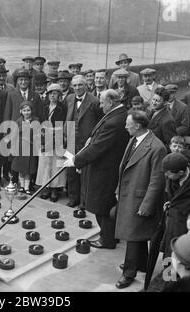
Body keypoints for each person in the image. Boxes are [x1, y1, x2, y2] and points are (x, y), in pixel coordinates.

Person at [65, 89, 129, 249]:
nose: (100, 106)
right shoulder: (117, 114)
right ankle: (111, 235)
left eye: (102, 102)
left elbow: (98, 147)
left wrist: (76, 160)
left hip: (106, 168)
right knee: (103, 202)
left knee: (103, 204)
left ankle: (107, 240)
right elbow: (96, 139)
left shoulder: (115, 120)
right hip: (106, 165)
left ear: (111, 102)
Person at [115, 110, 166, 289]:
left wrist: (147, 204)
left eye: (127, 123)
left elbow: (157, 181)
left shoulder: (157, 147)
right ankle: (141, 264)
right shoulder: (134, 140)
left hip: (140, 199)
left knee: (132, 234)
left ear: (137, 126)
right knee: (137, 233)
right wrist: (118, 189)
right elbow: (125, 168)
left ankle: (129, 272)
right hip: (128, 194)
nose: (125, 126)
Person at [160, 153, 190, 259]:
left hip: (186, 231)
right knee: (168, 258)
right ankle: (167, 274)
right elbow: (173, 195)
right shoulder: (172, 177)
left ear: (181, 172)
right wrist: (170, 202)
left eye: (168, 174)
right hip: (171, 224)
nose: (166, 176)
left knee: (180, 260)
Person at [64, 75, 103, 208]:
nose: (77, 88)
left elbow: (100, 122)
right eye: (74, 85)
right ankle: (72, 198)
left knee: (84, 173)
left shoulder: (95, 101)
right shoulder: (69, 98)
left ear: (86, 85)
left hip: (85, 142)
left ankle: (83, 201)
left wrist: (93, 139)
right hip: (70, 141)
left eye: (80, 85)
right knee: (71, 171)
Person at [36, 84, 67, 202]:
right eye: (50, 93)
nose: (52, 95)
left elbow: (62, 124)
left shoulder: (62, 108)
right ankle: (45, 188)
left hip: (57, 139)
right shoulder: (44, 107)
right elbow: (39, 121)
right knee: (44, 164)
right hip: (44, 138)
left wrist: (52, 130)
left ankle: (54, 189)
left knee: (55, 165)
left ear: (59, 95)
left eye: (54, 93)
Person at [11, 101, 39, 195]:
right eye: (24, 110)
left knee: (28, 170)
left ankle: (27, 187)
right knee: (21, 169)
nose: (26, 112)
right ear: (21, 111)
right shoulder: (18, 121)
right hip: (21, 148)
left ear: (31, 111)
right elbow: (14, 136)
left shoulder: (36, 121)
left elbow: (38, 135)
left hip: (31, 149)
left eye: (28, 110)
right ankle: (21, 186)